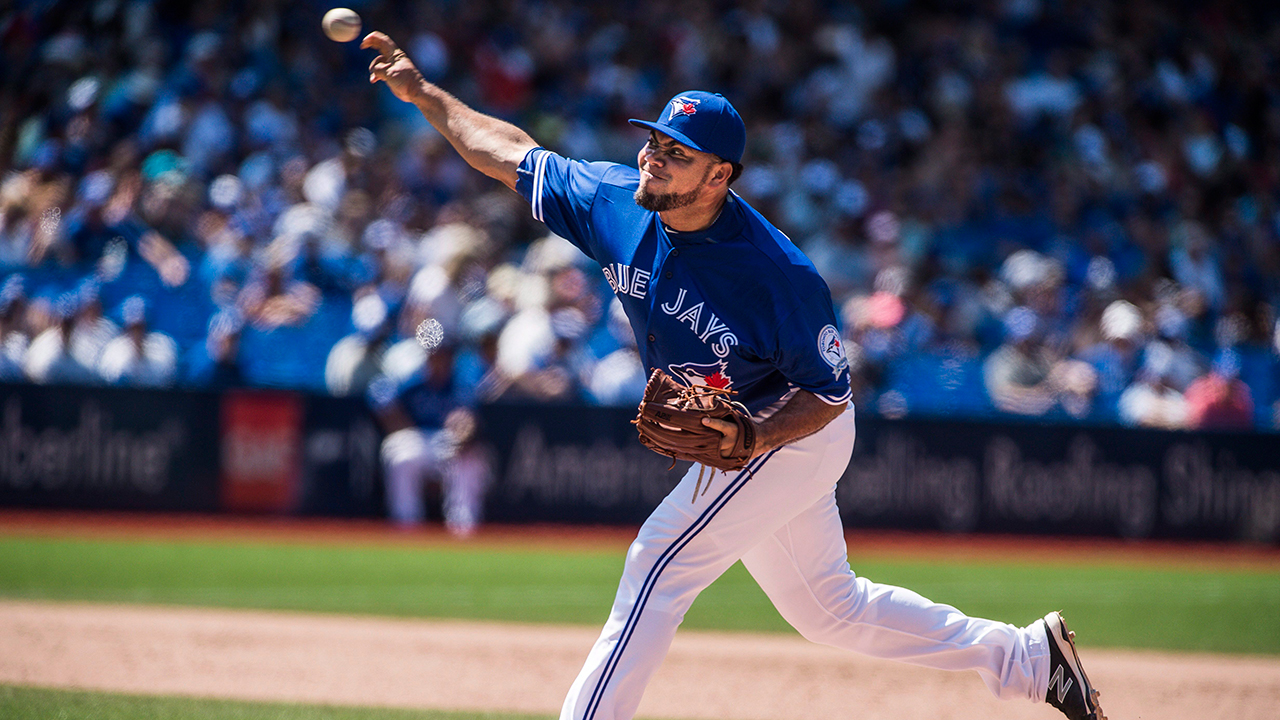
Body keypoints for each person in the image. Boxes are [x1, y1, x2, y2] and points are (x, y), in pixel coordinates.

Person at [362, 31, 1106, 720]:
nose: (654, 157)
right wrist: (426, 94)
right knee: (831, 611)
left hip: (790, 427)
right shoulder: (616, 203)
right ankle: (1030, 660)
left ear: (719, 176)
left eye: (676, 153)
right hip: (748, 431)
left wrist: (756, 437)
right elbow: (509, 151)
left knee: (657, 564)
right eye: (654, 140)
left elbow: (828, 394)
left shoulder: (777, 274)